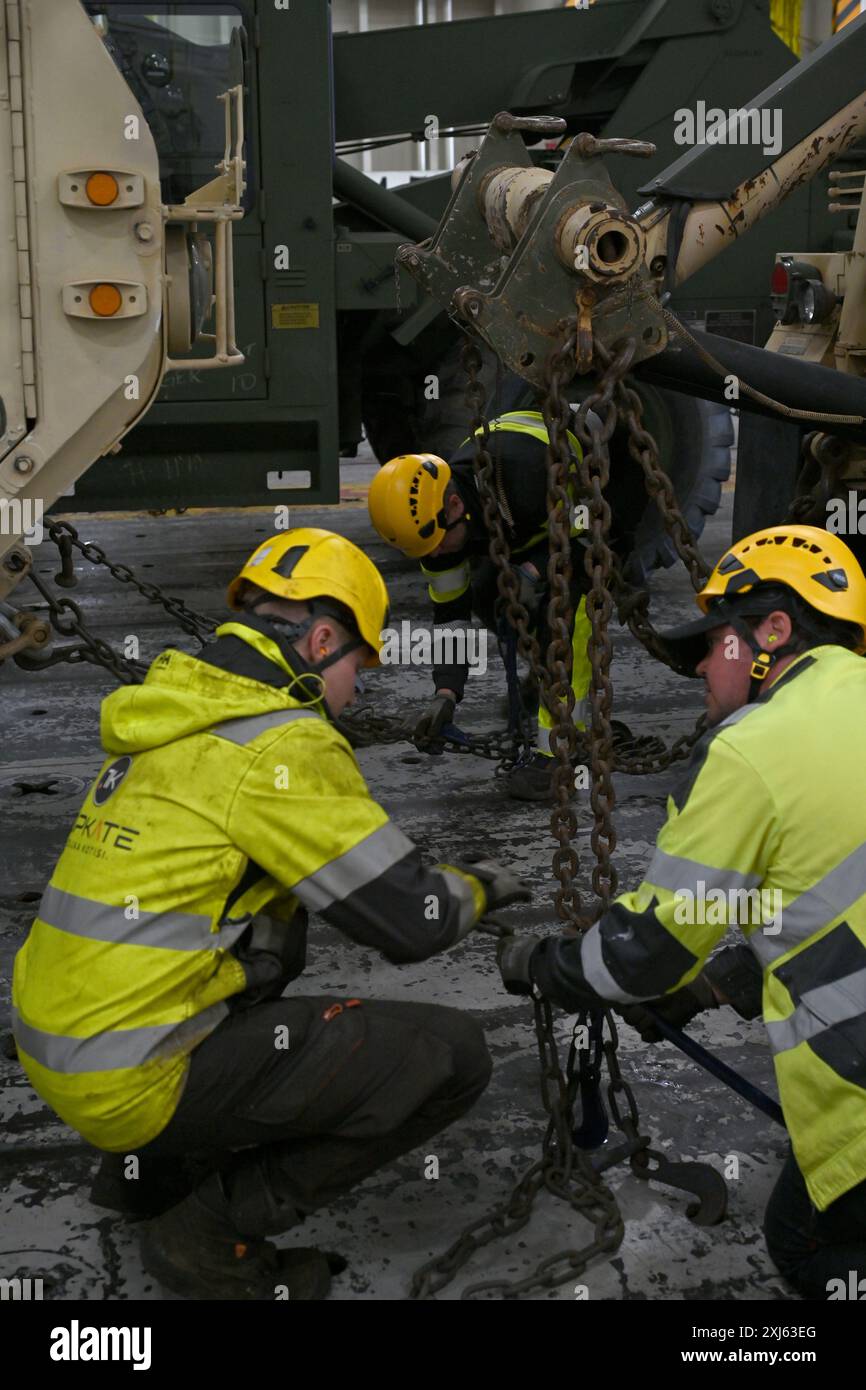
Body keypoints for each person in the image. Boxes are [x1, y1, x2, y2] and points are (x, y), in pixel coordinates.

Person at [11, 527, 528, 1300]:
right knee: (450, 1055)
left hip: (55, 1045)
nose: (358, 687)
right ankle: (208, 1236)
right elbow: (415, 920)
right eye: (360, 663)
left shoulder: (174, 714)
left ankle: (142, 1180)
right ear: (321, 641)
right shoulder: (280, 741)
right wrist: (486, 884)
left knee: (271, 949)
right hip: (129, 1076)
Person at [497, 523, 866, 1300]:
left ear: (774, 632)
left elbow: (645, 950)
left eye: (714, 643)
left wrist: (545, 966)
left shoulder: (755, 749)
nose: (701, 664)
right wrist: (713, 986)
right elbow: (831, 907)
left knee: (804, 1245)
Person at [367, 411, 594, 801]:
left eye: (436, 544)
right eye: (424, 550)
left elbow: (588, 539)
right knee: (490, 590)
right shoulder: (434, 529)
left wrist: (535, 571)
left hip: (594, 490)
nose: (434, 555)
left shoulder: (526, 481)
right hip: (528, 523)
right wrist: (446, 694)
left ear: (454, 506)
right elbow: (451, 615)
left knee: (566, 608)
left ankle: (561, 750)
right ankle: (542, 678)